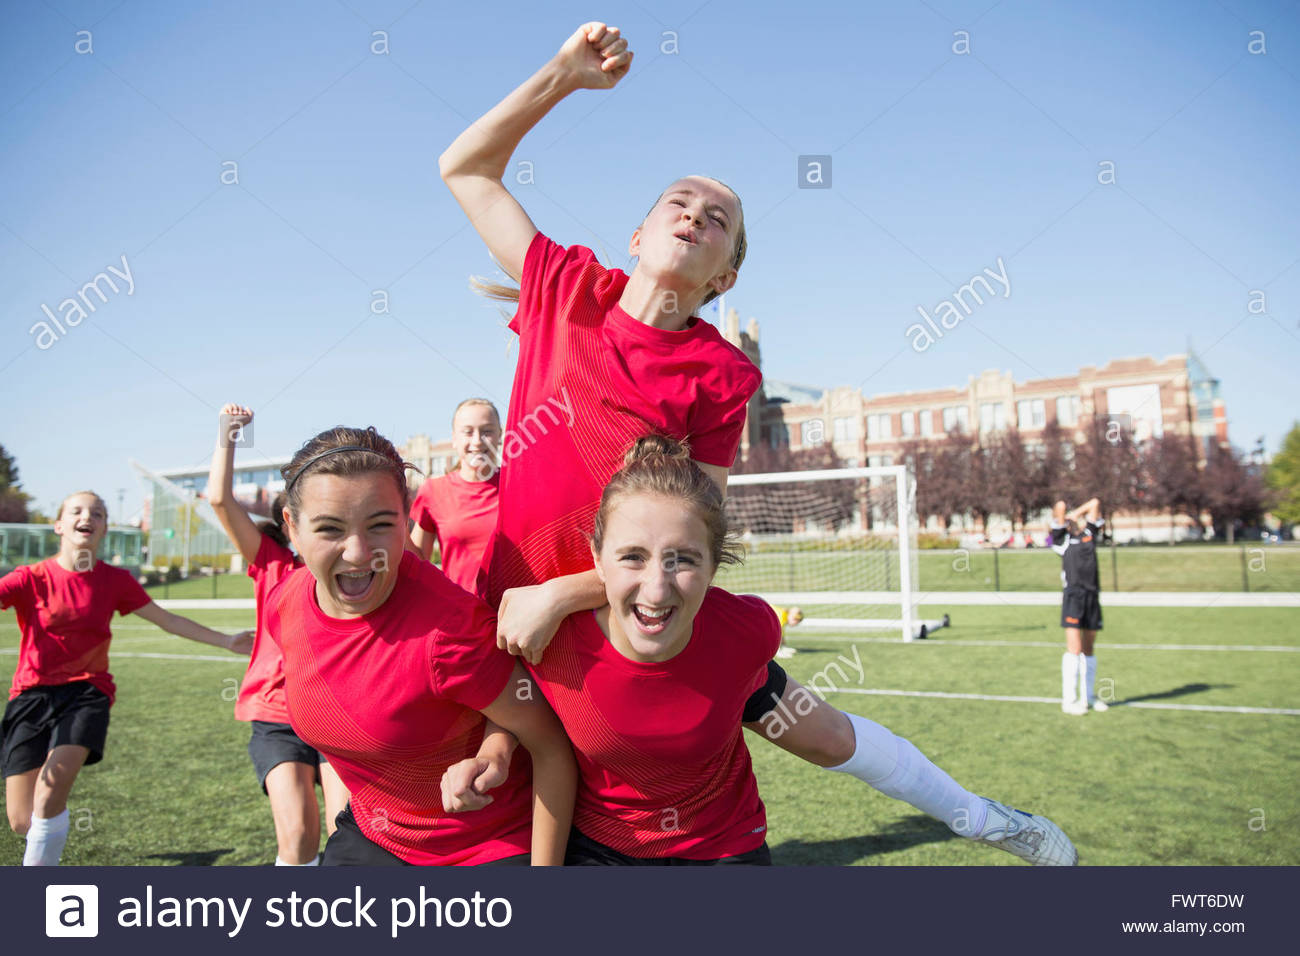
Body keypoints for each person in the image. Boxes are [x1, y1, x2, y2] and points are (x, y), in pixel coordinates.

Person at [440, 22, 1075, 865]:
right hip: (515, 617)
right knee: (486, 787)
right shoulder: (564, 286)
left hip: (633, 606)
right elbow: (465, 168)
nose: (695, 215)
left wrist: (564, 594)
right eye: (680, 202)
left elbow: (697, 530)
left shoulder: (720, 373)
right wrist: (561, 78)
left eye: (719, 220)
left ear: (725, 277)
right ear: (638, 235)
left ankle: (978, 817)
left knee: (809, 731)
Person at [444, 437, 782, 863]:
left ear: (714, 565)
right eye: (633, 557)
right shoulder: (552, 640)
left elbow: (795, 716)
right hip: (602, 851)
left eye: (684, 560)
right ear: (597, 560)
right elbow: (524, 705)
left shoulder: (749, 630)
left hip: (724, 847)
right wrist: (494, 752)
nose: (657, 590)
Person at [263, 425, 575, 865]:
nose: (357, 552)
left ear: (406, 516)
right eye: (330, 528)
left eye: (380, 526)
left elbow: (548, 743)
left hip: (484, 850)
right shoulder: (285, 605)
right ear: (292, 529)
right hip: (376, 837)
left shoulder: (450, 629)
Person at [1, 491, 251, 866]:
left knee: (50, 794)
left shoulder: (114, 580)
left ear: (103, 527)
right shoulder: (30, 578)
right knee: (22, 820)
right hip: (31, 696)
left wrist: (227, 641)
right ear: (59, 525)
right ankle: (47, 834)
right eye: (77, 511)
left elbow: (168, 620)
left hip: (87, 693)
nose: (88, 517)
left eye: (98, 513)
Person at [207, 403, 350, 865]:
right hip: (277, 716)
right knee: (299, 837)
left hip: (339, 712)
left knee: (345, 833)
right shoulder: (271, 563)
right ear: (288, 524)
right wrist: (228, 435)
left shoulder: (354, 569)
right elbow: (219, 500)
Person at [409, 398, 502, 591]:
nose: (477, 441)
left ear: (499, 435)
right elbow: (418, 560)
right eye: (468, 432)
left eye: (487, 431)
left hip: (515, 613)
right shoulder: (433, 491)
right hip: (462, 615)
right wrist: (395, 517)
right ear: (454, 438)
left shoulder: (516, 485)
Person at [1051, 497, 1107, 715]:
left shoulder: (1089, 535)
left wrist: (1077, 514)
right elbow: (1059, 506)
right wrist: (1069, 517)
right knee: (1073, 650)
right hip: (1073, 598)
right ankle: (1069, 700)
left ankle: (1088, 697)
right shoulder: (1060, 541)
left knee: (1089, 649)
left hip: (1092, 596)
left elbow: (1095, 502)